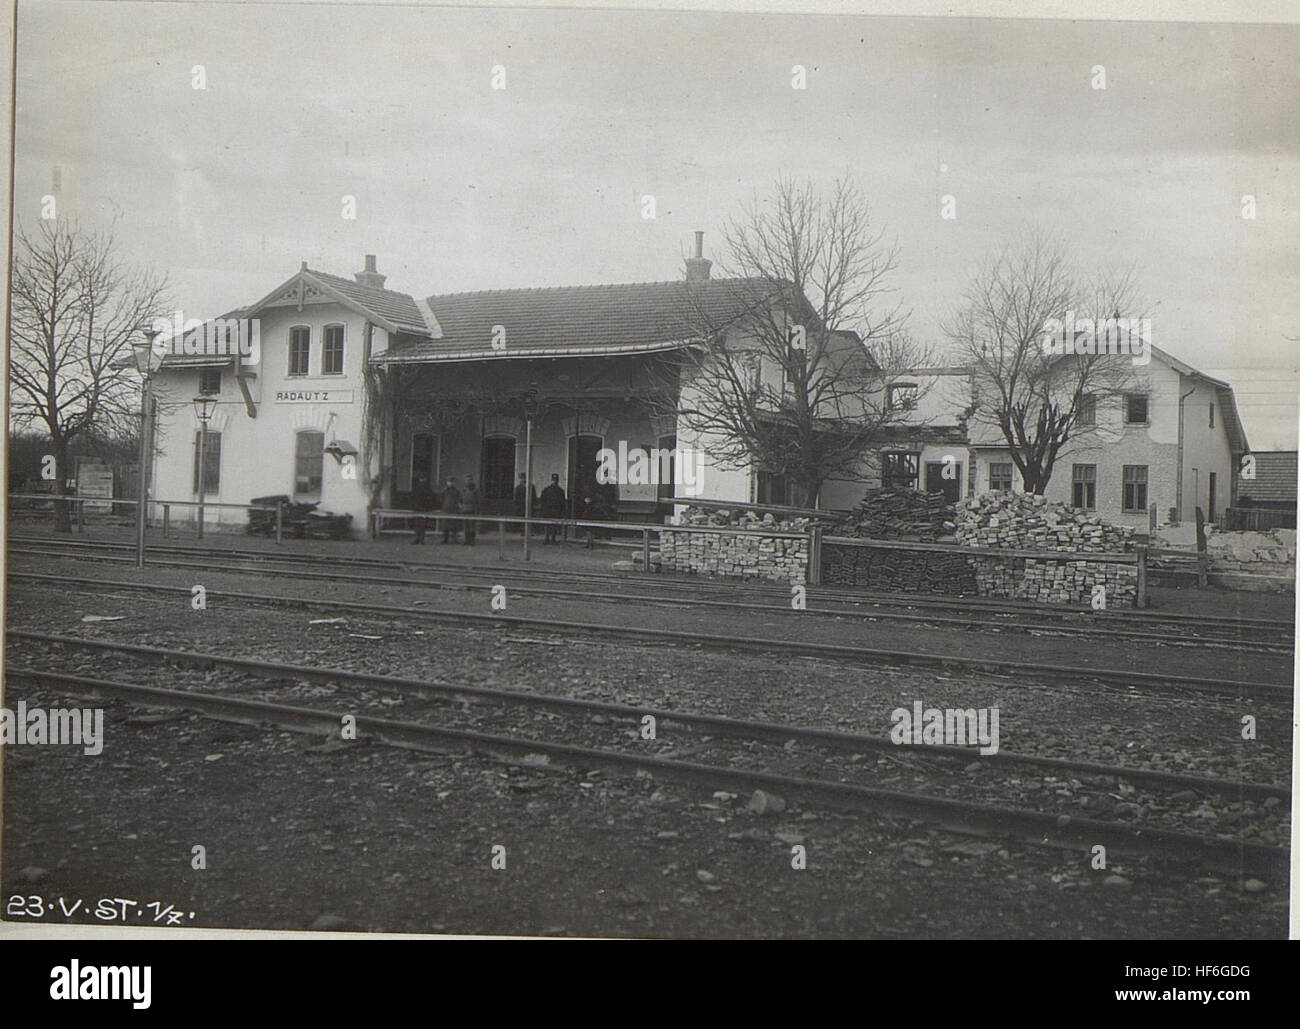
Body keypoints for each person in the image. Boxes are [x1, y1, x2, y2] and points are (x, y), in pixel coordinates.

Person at [540, 472, 566, 544]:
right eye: (554, 480)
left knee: (553, 525)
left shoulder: (559, 491)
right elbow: (543, 500)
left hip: (554, 510)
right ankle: (548, 538)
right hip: (550, 510)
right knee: (548, 525)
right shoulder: (547, 490)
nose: (554, 481)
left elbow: (562, 502)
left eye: (555, 480)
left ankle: (551, 539)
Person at [411, 472, 436, 544]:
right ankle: (416, 538)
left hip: (424, 509)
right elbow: (413, 498)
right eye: (421, 478)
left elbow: (430, 499)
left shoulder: (428, 488)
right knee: (416, 524)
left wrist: (429, 508)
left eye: (423, 478)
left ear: (426, 479)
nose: (422, 480)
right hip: (417, 508)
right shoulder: (416, 487)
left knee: (422, 524)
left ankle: (421, 539)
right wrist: (413, 507)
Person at [440, 477, 461, 543]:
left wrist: (458, 506)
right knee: (445, 525)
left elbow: (459, 499)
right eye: (449, 481)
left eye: (452, 482)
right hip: (446, 509)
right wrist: (443, 506)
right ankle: (445, 539)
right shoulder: (444, 490)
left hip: (454, 509)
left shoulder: (457, 491)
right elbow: (441, 499)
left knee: (454, 525)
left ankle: (455, 539)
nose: (450, 483)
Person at [460, 477, 480, 545]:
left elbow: (478, 500)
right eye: (466, 480)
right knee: (465, 526)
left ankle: (472, 540)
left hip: (472, 510)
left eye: (469, 480)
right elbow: (460, 499)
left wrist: (476, 509)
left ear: (472, 481)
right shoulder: (463, 490)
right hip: (464, 510)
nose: (468, 481)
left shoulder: (475, 490)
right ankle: (466, 540)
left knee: (472, 526)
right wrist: (461, 506)